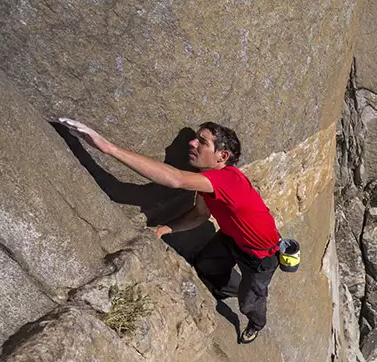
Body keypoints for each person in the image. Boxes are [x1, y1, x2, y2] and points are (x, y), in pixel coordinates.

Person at [60, 118, 280, 344]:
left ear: (222, 156)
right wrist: (164, 229)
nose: (192, 143)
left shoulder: (228, 179)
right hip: (231, 236)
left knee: (249, 302)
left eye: (202, 142)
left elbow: (176, 179)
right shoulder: (207, 181)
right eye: (195, 138)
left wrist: (108, 148)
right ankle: (235, 288)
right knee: (206, 265)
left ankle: (256, 322)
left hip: (260, 254)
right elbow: (200, 215)